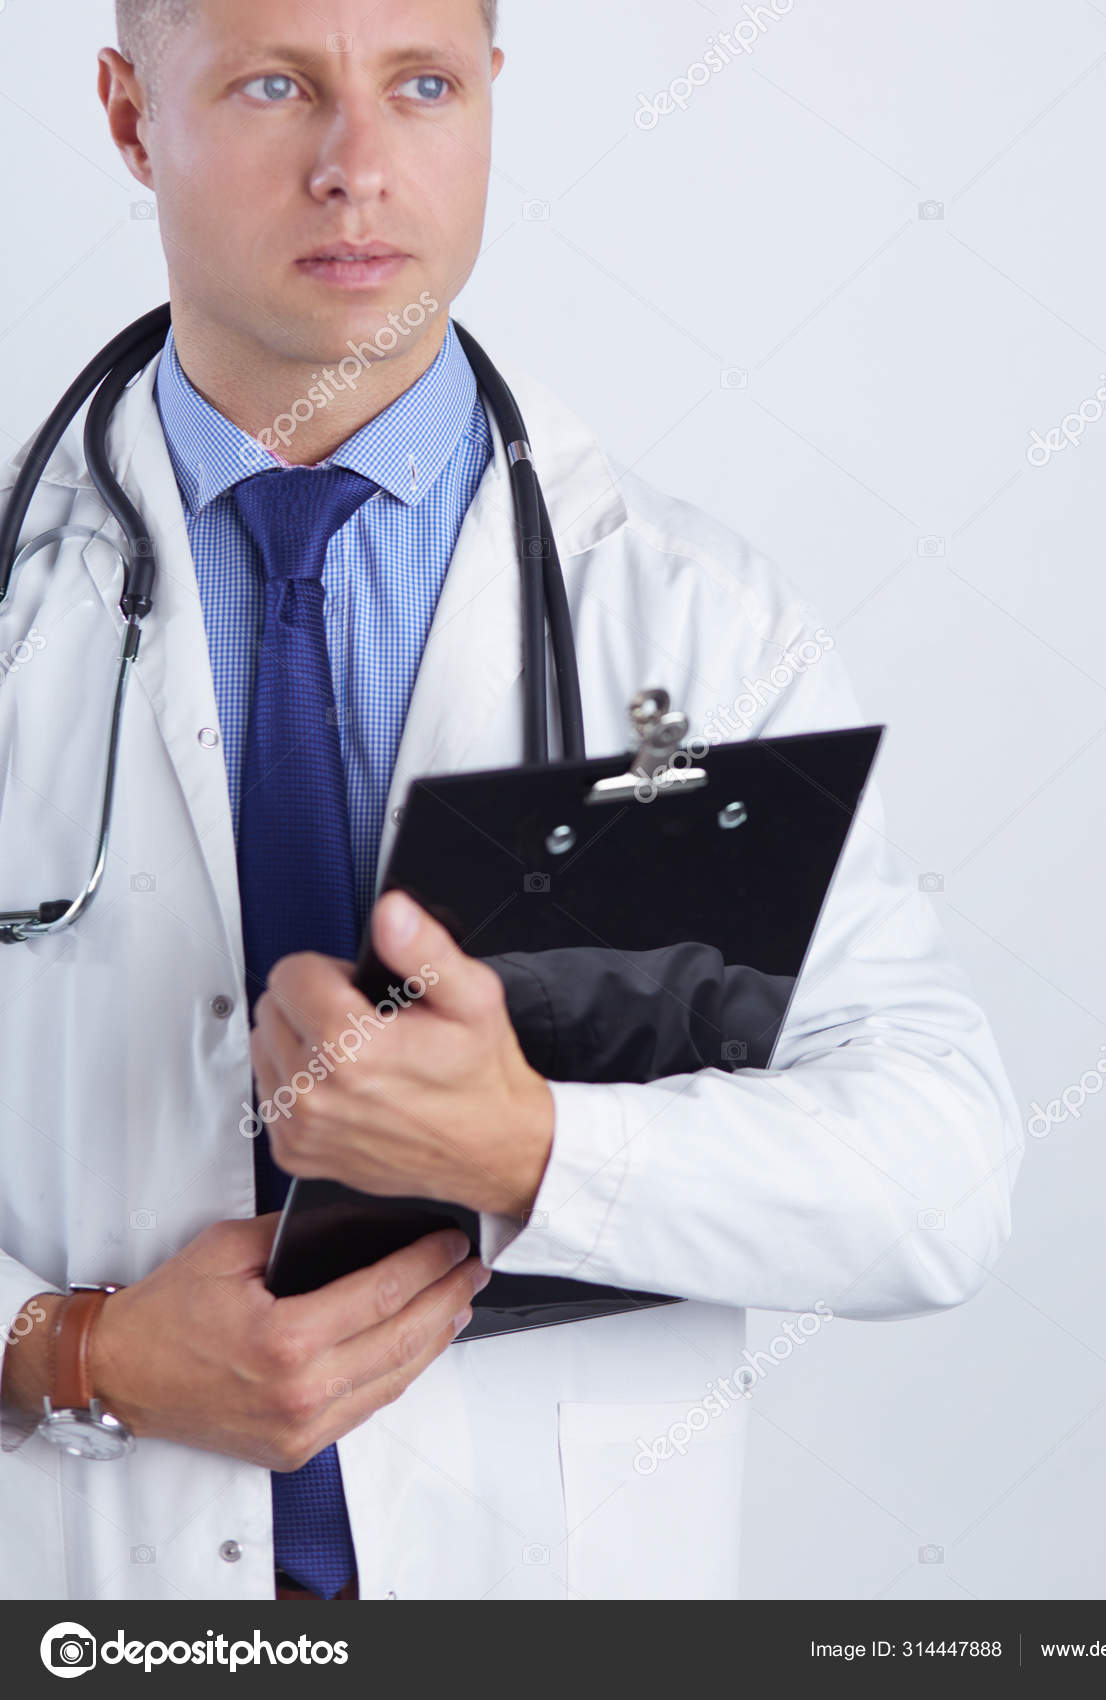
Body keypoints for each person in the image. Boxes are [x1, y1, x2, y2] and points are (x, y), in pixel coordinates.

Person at [0, 0, 1023, 1601]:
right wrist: (69, 1354)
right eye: (273, 86)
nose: (356, 166)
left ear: (488, 93)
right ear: (131, 118)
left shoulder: (696, 632)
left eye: (420, 84)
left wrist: (536, 1148)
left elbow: (937, 1183)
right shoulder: (24, 613)